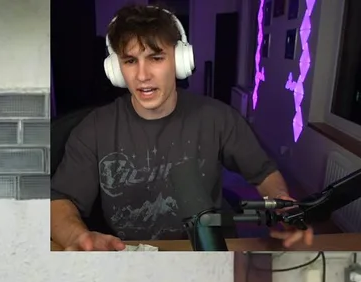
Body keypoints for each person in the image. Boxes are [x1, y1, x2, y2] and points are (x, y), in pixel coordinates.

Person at [50, 3, 314, 250]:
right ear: (116, 69)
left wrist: (283, 206)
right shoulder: (93, 130)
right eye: (130, 61)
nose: (142, 75)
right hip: (130, 256)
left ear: (180, 60)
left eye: (156, 58)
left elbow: (264, 174)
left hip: (205, 250)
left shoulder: (217, 118)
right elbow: (59, 201)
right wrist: (77, 237)